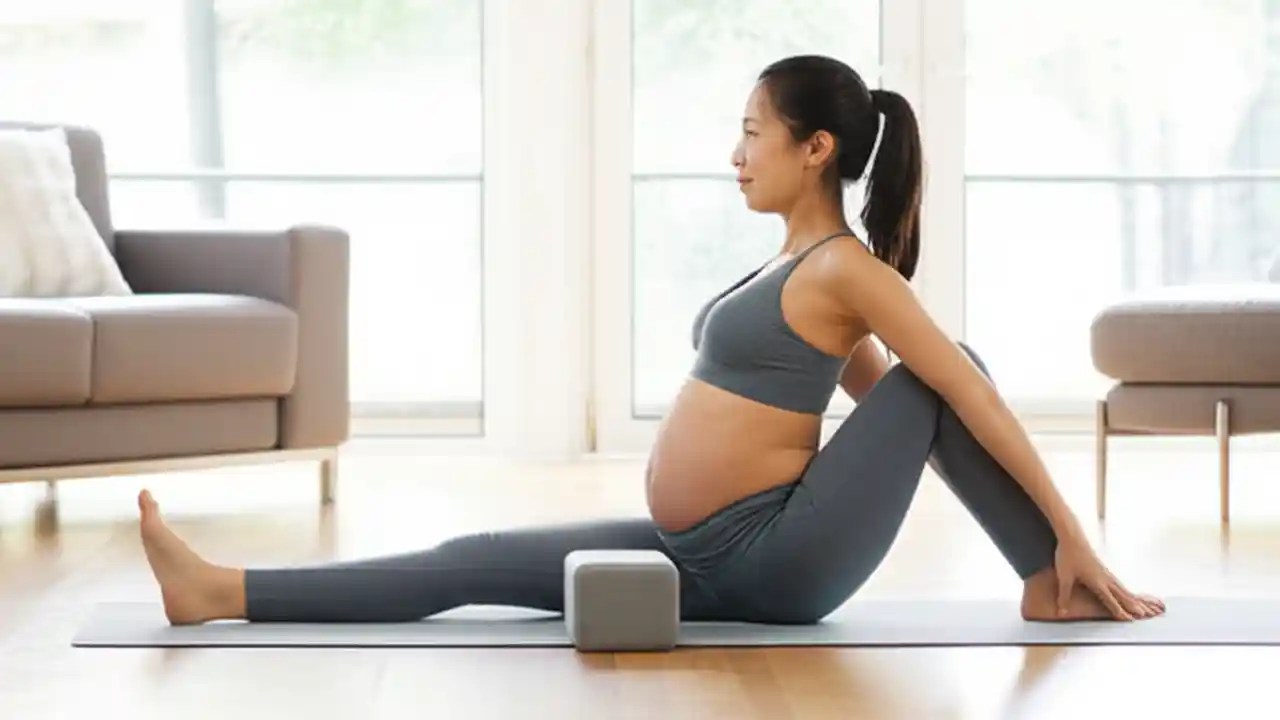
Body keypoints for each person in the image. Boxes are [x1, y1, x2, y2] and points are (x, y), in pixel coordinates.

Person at [138, 54, 1164, 626]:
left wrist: (1069, 531)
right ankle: (218, 589)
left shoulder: (849, 269)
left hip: (772, 561)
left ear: (816, 150)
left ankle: (1047, 574)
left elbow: (956, 402)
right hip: (701, 551)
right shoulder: (792, 271)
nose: (735, 154)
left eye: (752, 134)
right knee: (468, 561)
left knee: (957, 372)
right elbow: (873, 401)